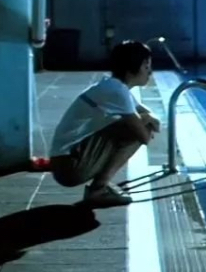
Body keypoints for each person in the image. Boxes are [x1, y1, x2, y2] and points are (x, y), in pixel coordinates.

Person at [49, 40, 161, 207]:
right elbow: (144, 137)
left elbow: (153, 119)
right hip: (69, 166)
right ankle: (98, 189)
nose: (150, 72)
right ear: (133, 68)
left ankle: (99, 187)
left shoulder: (114, 87)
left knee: (136, 125)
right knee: (136, 130)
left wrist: (147, 118)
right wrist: (145, 120)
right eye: (146, 67)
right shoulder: (116, 92)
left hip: (65, 161)